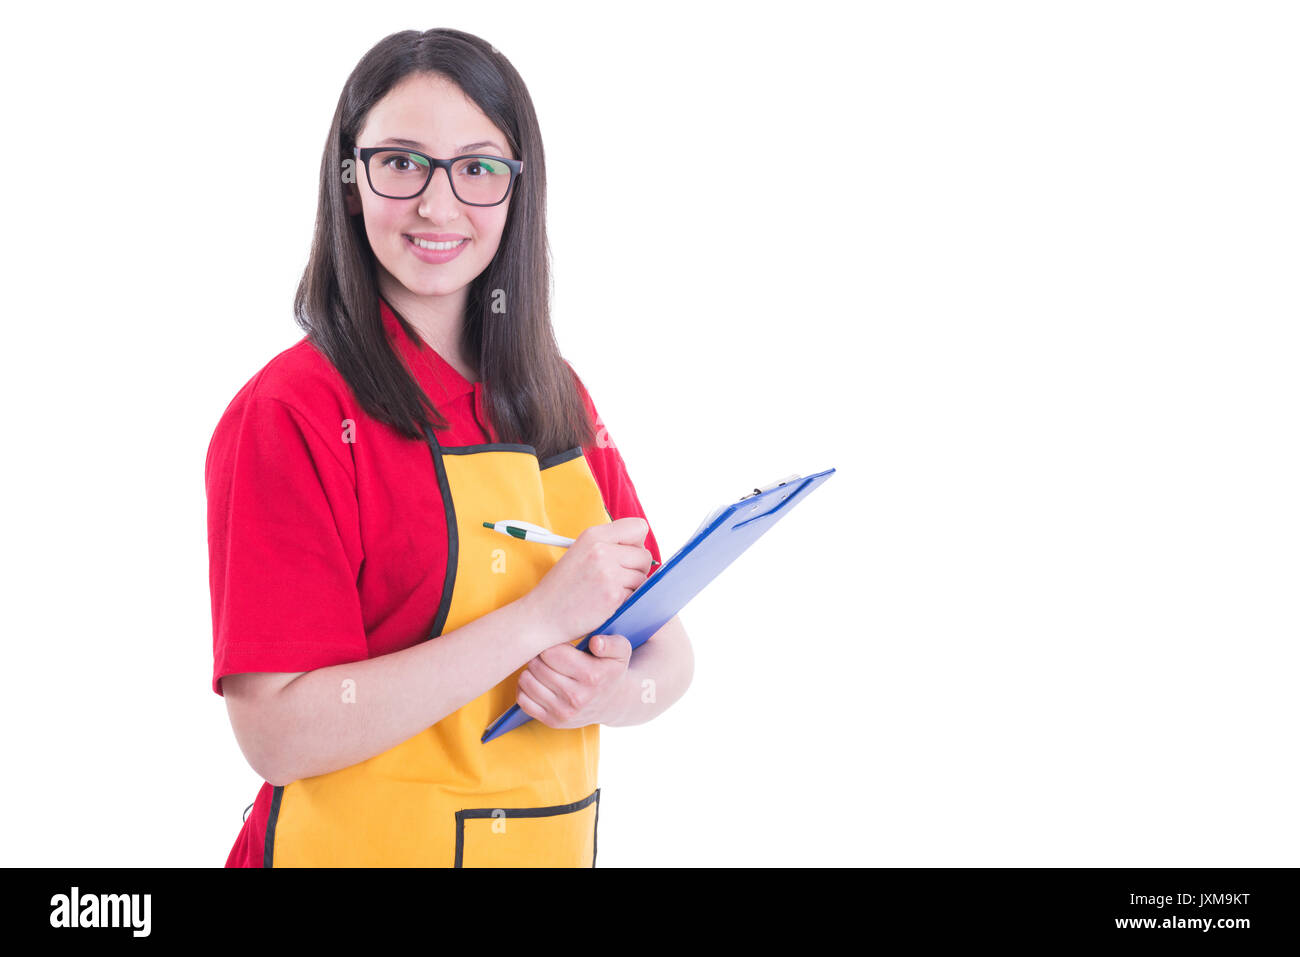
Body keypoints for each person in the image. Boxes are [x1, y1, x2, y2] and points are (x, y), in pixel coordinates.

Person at [205, 27, 694, 867]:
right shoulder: (295, 411)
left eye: (477, 167)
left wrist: (610, 690)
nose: (439, 205)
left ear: (516, 189)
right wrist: (537, 620)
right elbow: (277, 733)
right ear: (351, 181)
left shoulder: (554, 394)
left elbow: (670, 655)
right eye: (402, 163)